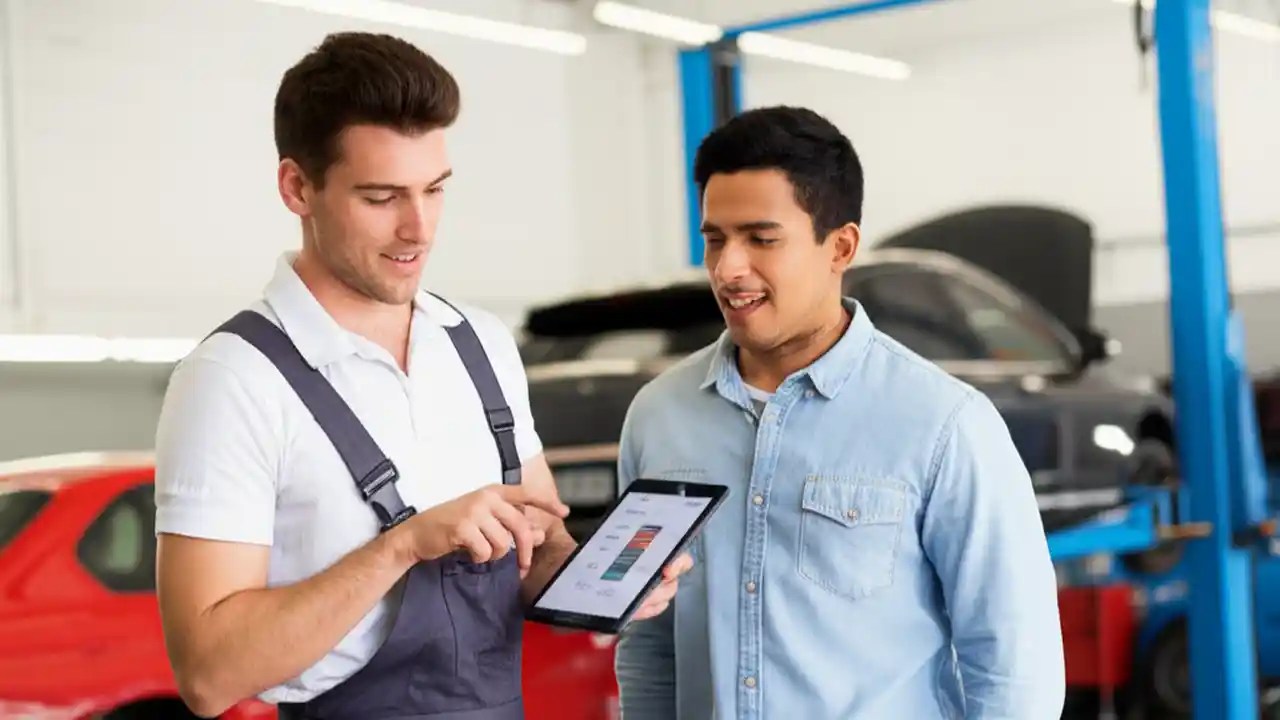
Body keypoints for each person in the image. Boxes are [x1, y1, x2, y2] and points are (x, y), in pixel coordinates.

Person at [153, 32, 685, 720]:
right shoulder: (232, 380)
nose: (419, 228)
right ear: (297, 187)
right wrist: (403, 545)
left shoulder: (480, 346)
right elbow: (209, 672)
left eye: (434, 190)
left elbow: (540, 547)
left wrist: (607, 583)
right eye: (381, 197)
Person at [613, 106, 1065, 719]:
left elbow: (1014, 664)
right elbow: (650, 641)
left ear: (840, 247)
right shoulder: (658, 416)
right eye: (714, 238)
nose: (727, 268)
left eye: (761, 239)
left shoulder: (943, 424)